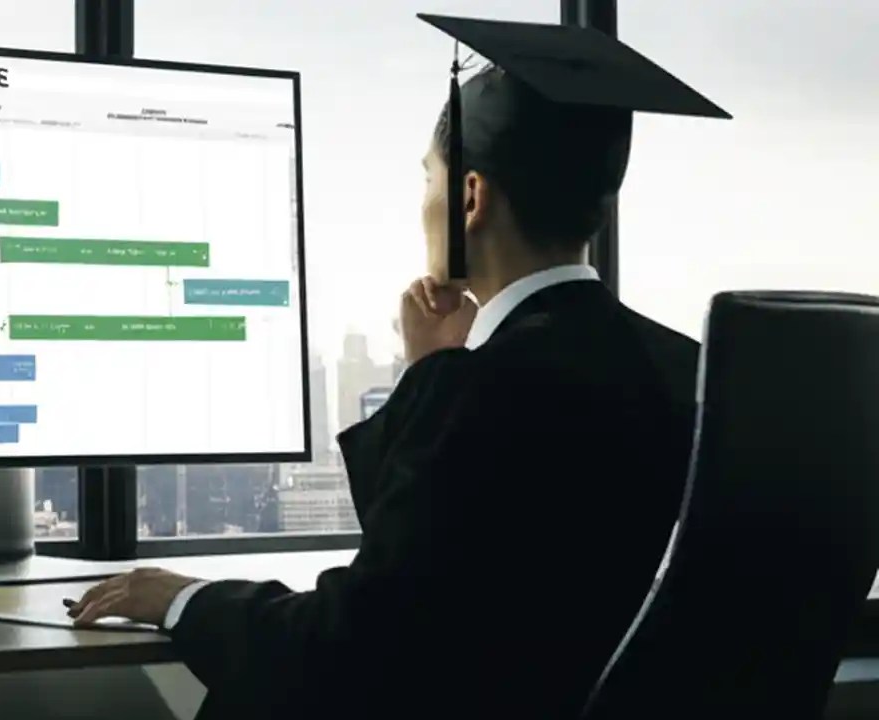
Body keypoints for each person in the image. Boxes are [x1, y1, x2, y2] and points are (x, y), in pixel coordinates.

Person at [63, 15, 730, 719]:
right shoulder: (696, 373)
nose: (423, 201)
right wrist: (436, 372)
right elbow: (448, 585)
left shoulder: (487, 392)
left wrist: (183, 599)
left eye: (428, 179)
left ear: (469, 199)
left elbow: (352, 647)